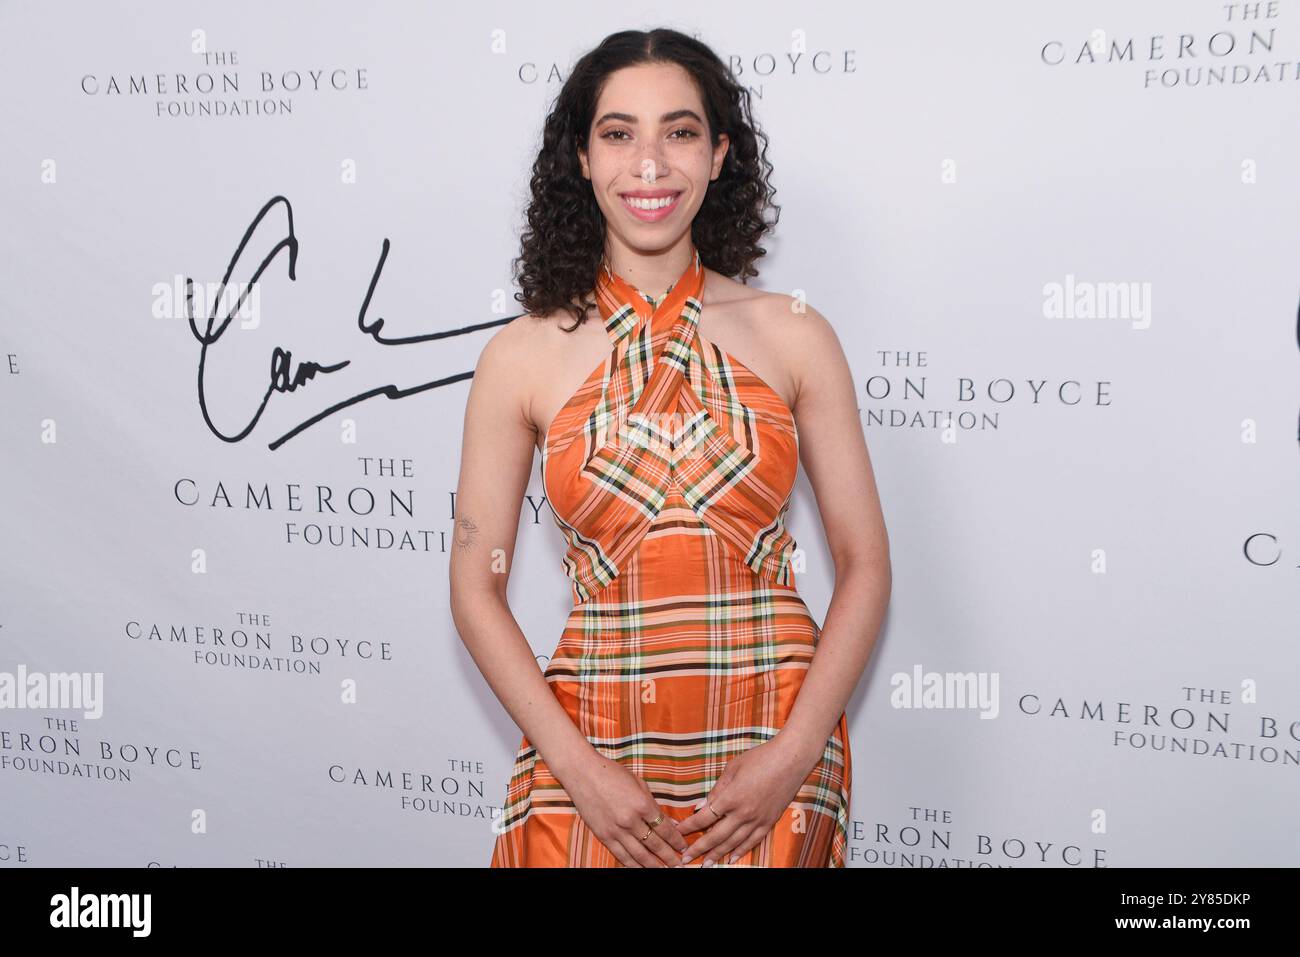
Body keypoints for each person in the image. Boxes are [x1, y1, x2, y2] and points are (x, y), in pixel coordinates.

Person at [449, 27, 890, 867]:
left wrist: (795, 755)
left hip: (775, 749)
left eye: (679, 132)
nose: (649, 164)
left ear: (720, 154)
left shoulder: (795, 336)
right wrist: (577, 771)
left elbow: (865, 561)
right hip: (590, 752)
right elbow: (476, 586)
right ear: (581, 157)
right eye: (618, 134)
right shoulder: (522, 355)